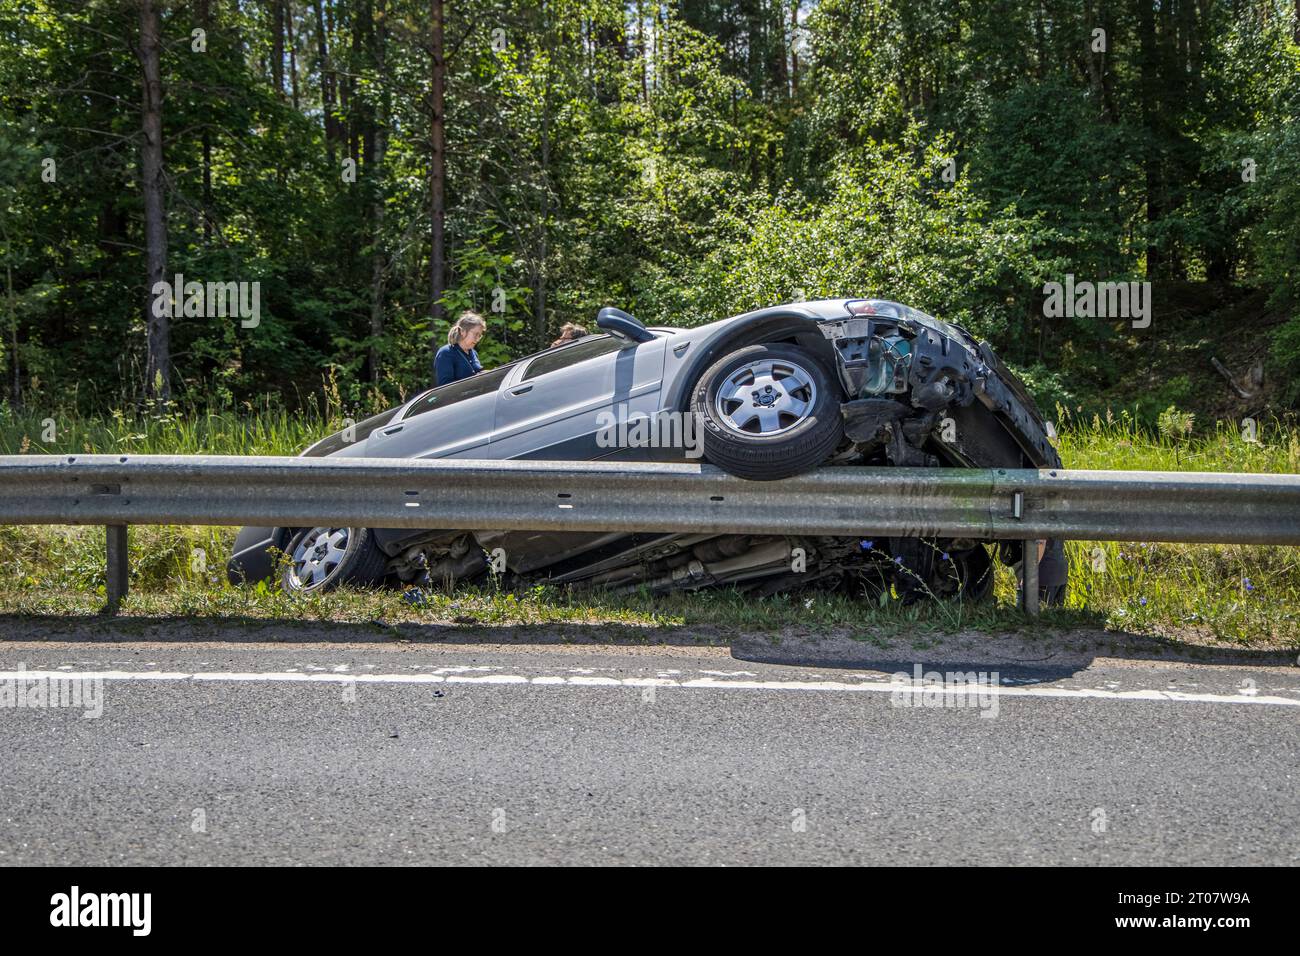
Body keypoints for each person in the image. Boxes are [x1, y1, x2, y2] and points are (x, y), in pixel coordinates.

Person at [435, 311, 486, 386]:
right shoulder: (445, 353)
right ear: (462, 331)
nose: (477, 339)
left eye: (479, 336)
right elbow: (445, 387)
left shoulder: (474, 353)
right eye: (475, 334)